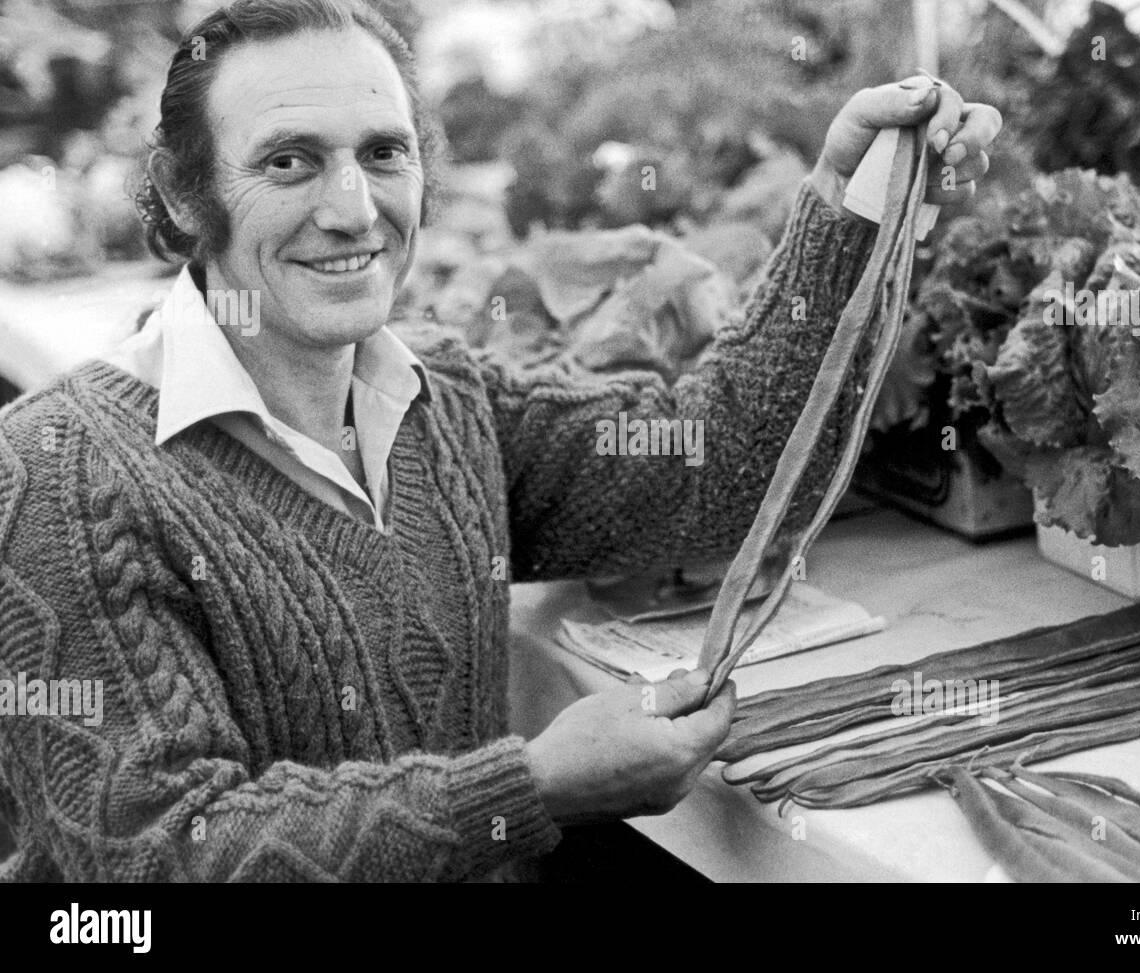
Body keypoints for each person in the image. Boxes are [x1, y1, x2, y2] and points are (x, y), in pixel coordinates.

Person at [0, 0, 1000, 881]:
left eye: (382, 153)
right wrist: (530, 788)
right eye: (287, 160)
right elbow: (157, 858)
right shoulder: (60, 473)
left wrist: (846, 197)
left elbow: (719, 466)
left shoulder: (451, 398)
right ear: (182, 195)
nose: (352, 209)